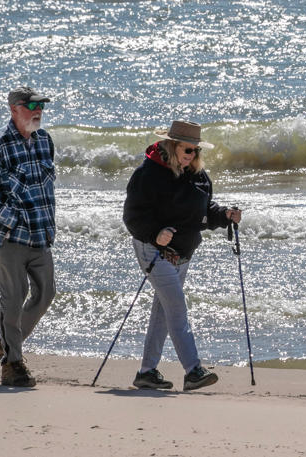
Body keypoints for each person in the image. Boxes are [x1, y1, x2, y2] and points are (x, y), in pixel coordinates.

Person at [123, 120, 242, 391]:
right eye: (188, 150)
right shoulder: (148, 174)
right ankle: (193, 370)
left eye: (196, 151)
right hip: (152, 249)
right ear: (172, 146)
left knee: (164, 311)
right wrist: (156, 233)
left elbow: (202, 212)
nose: (192, 156)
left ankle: (146, 372)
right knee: (176, 307)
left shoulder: (198, 176)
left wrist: (224, 215)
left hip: (183, 253)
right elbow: (132, 216)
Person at [0, 86, 57, 387]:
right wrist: (12, 219)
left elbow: (46, 191)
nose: (38, 111)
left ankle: (4, 345)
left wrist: (49, 226)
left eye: (41, 106)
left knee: (46, 294)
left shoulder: (45, 141)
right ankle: (12, 364)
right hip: (8, 239)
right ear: (14, 109)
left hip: (40, 236)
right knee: (13, 298)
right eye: (32, 105)